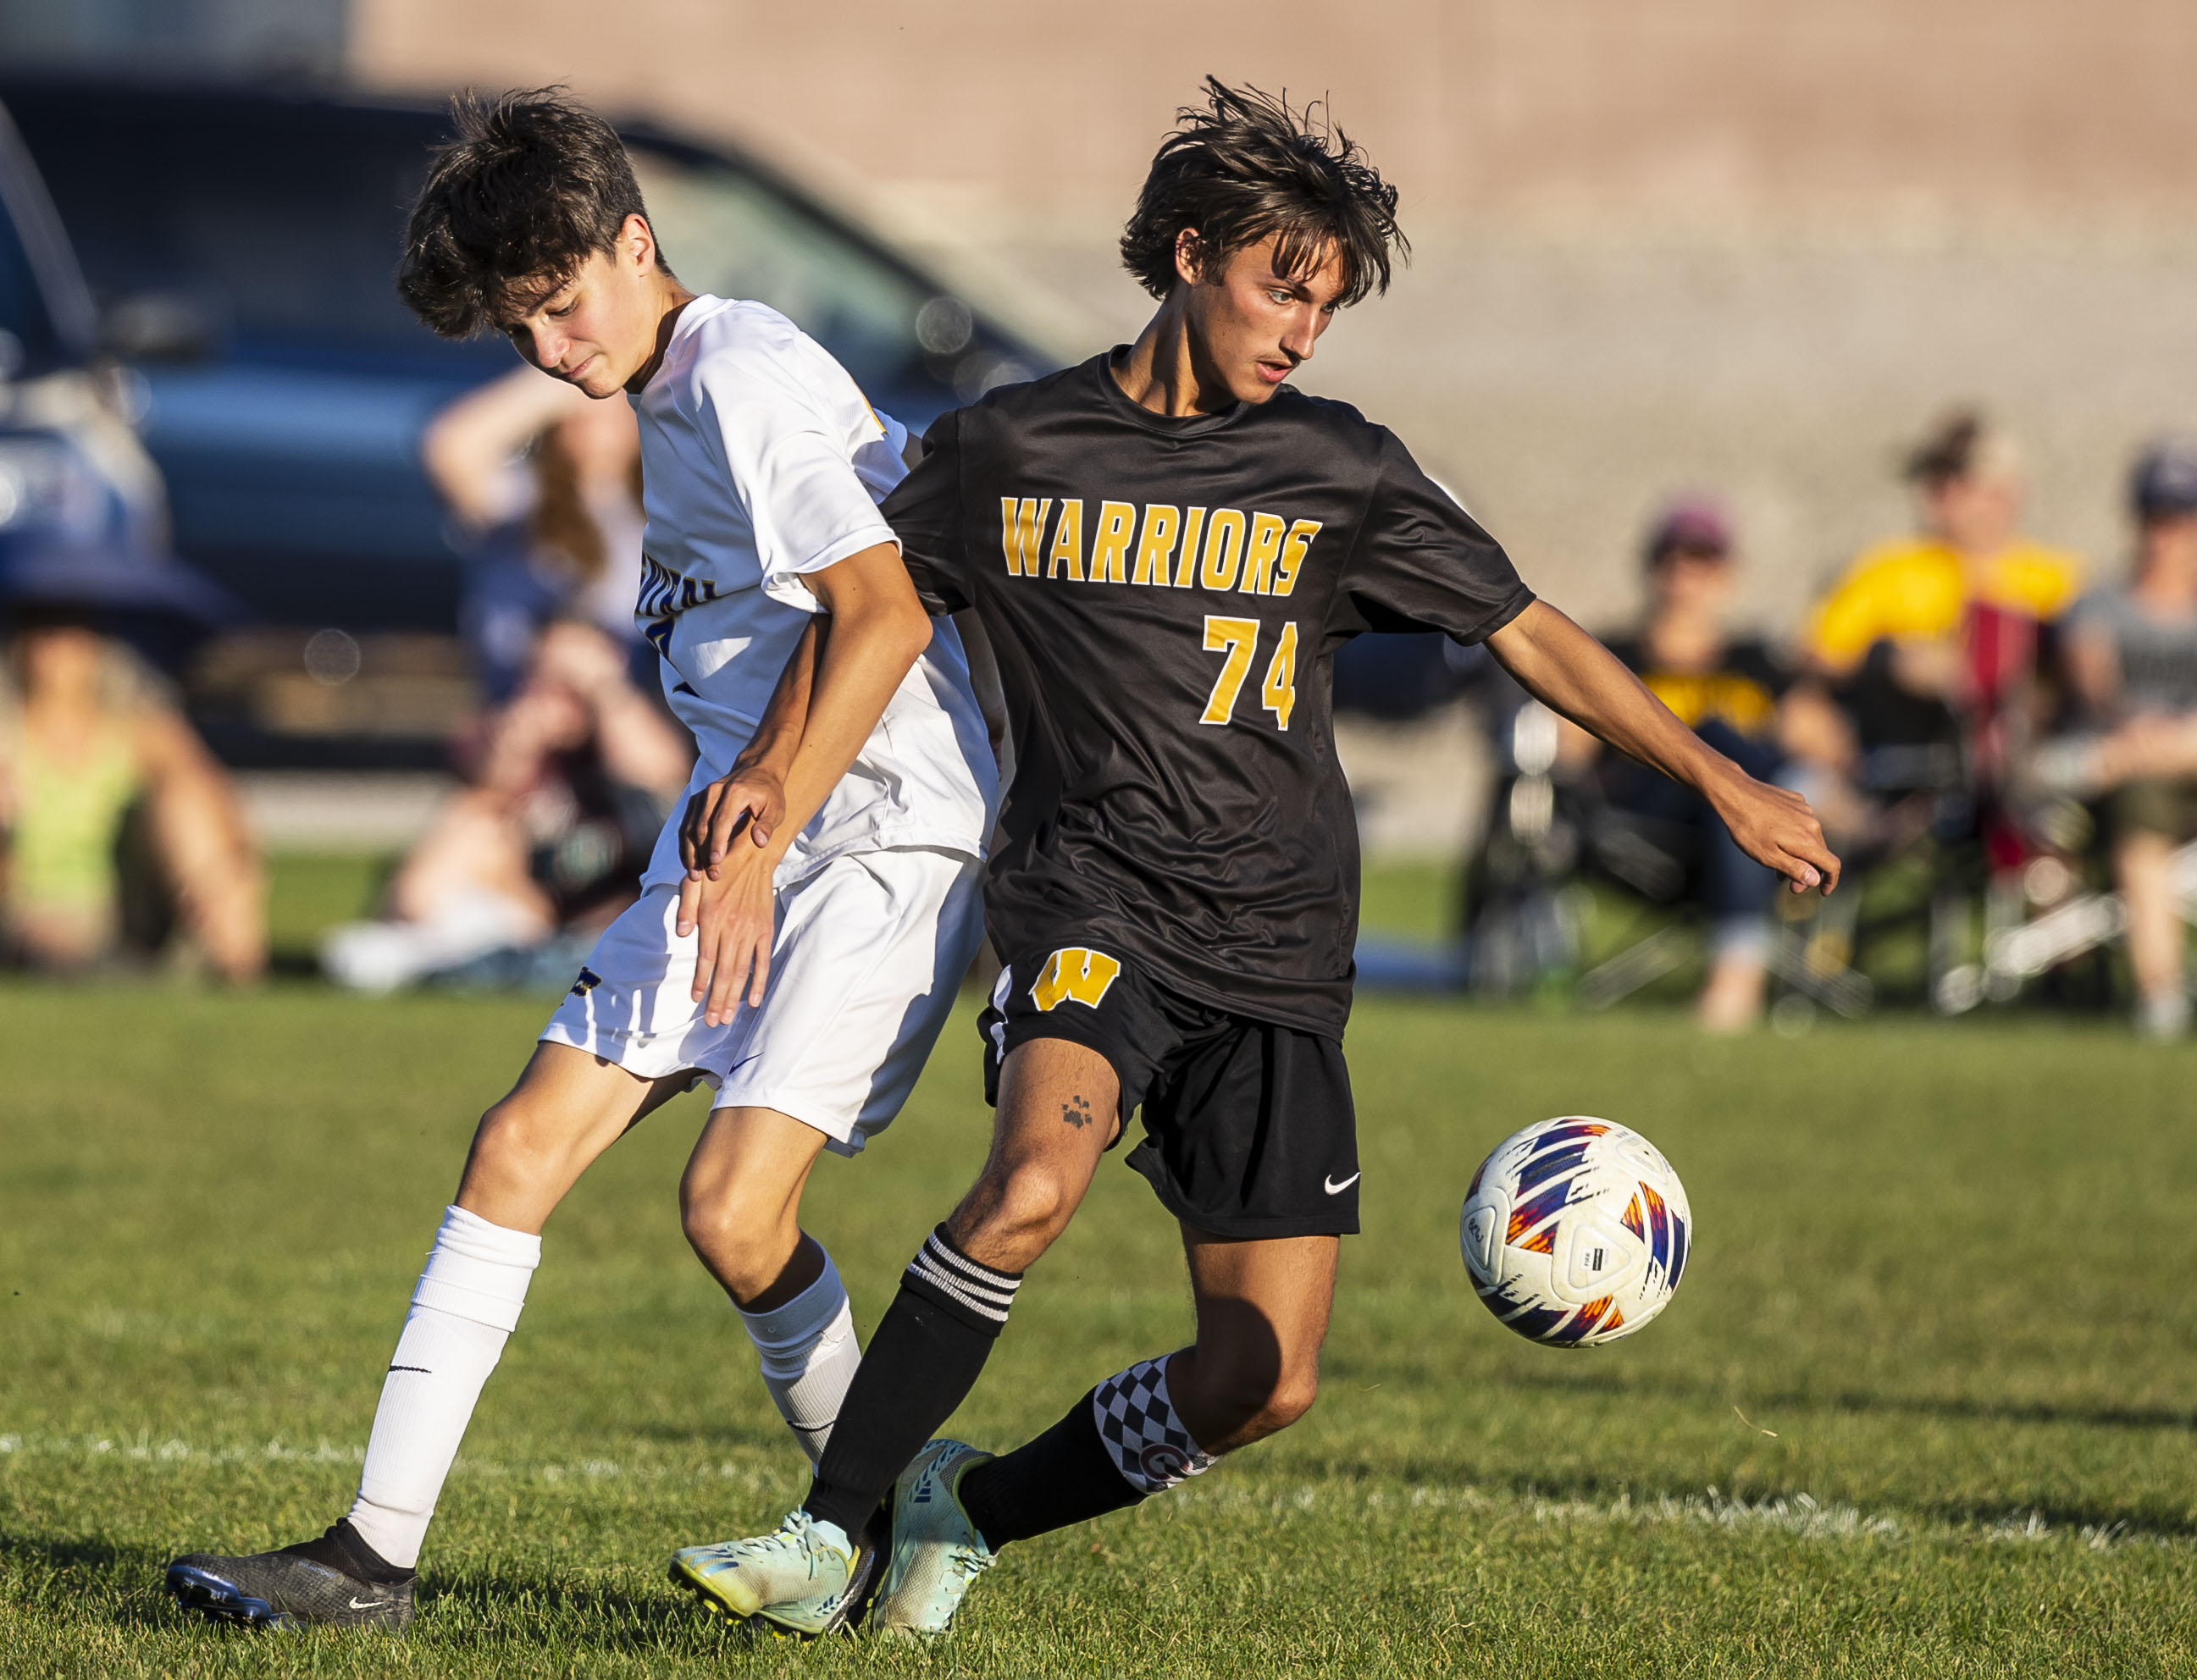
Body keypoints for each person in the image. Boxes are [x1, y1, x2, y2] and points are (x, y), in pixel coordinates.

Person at [667, 79, 1836, 1639]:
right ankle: (830, 1530)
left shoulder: (1340, 468)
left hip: (1280, 945)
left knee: (1261, 1375)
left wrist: (1719, 776)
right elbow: (865, 612)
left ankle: (977, 1504)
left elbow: (1533, 630)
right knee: (1028, 1184)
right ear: (1191, 252)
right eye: (1285, 289)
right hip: (1090, 906)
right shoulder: (1006, 446)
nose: (1302, 331)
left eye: (1327, 306)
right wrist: (766, 784)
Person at [161, 86, 1000, 1631]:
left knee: (733, 1211)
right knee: (516, 1145)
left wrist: (762, 832)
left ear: (637, 239)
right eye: (517, 327)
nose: (549, 349)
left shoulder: (742, 377)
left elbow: (886, 612)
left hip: (877, 834)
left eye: (559, 304)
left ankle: (888, 1513)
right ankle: (370, 1561)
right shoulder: (666, 388)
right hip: (747, 823)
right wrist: (734, 815)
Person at [1552, 498, 1825, 1031]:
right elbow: (1564, 754)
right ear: (1650, 567)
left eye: (1703, 560)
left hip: (1747, 828)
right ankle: (1737, 974)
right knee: (1717, 746)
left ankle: (1735, 977)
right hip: (1645, 816)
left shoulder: (1757, 662)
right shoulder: (1614, 657)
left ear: (1728, 574)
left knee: (1740, 782)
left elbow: (1828, 741)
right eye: (1671, 558)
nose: (1685, 574)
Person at [321, 616, 691, 992]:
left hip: (617, 912)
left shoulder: (638, 726)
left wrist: (604, 690)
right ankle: (432, 952)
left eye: (569, 682)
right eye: (543, 676)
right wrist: (519, 746)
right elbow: (482, 794)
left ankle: (426, 958)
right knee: (474, 817)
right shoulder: (500, 728)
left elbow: (660, 778)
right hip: (532, 906)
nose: (554, 694)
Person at [0, 610, 264, 983]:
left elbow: (208, 793)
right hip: (36, 907)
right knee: (49, 940)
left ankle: (237, 964)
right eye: (43, 630)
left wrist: (231, 875)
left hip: (130, 905)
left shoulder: (138, 726)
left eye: (72, 631)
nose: (57, 647)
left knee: (185, 799)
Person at [2046, 437, 2197, 1039]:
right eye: (2155, 518)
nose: (2165, 536)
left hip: (2184, 765)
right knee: (2142, 808)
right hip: (2139, 779)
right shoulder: (2100, 604)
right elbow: (2091, 681)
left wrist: (2154, 742)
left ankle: (2123, 759)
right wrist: (2130, 727)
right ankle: (2162, 996)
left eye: (2178, 520)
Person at [1804, 411, 2080, 772]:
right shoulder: (1887, 569)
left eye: (1952, 483)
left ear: (2006, 492)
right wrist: (1892, 661)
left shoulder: (2057, 579)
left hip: (2028, 757)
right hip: (1909, 748)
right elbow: (1821, 656)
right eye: (1931, 482)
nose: (1932, 497)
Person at [424, 362, 650, 703]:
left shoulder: (662, 511)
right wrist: (571, 373)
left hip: (631, 714)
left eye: (618, 402)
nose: (597, 418)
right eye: (582, 408)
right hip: (523, 709)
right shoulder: (522, 499)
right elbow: (450, 448)